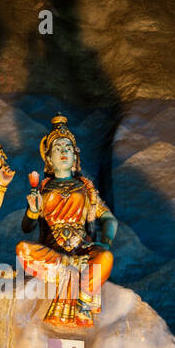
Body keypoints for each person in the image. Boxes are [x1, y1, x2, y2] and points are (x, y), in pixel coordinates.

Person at [12, 115, 118, 328]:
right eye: (57, 147)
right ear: (49, 159)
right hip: (54, 252)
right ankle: (68, 267)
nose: (63, 151)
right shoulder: (43, 189)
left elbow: (109, 219)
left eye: (68, 147)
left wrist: (104, 242)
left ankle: (83, 301)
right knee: (23, 250)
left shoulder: (85, 188)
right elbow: (27, 228)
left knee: (105, 257)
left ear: (75, 156)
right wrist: (33, 211)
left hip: (82, 248)